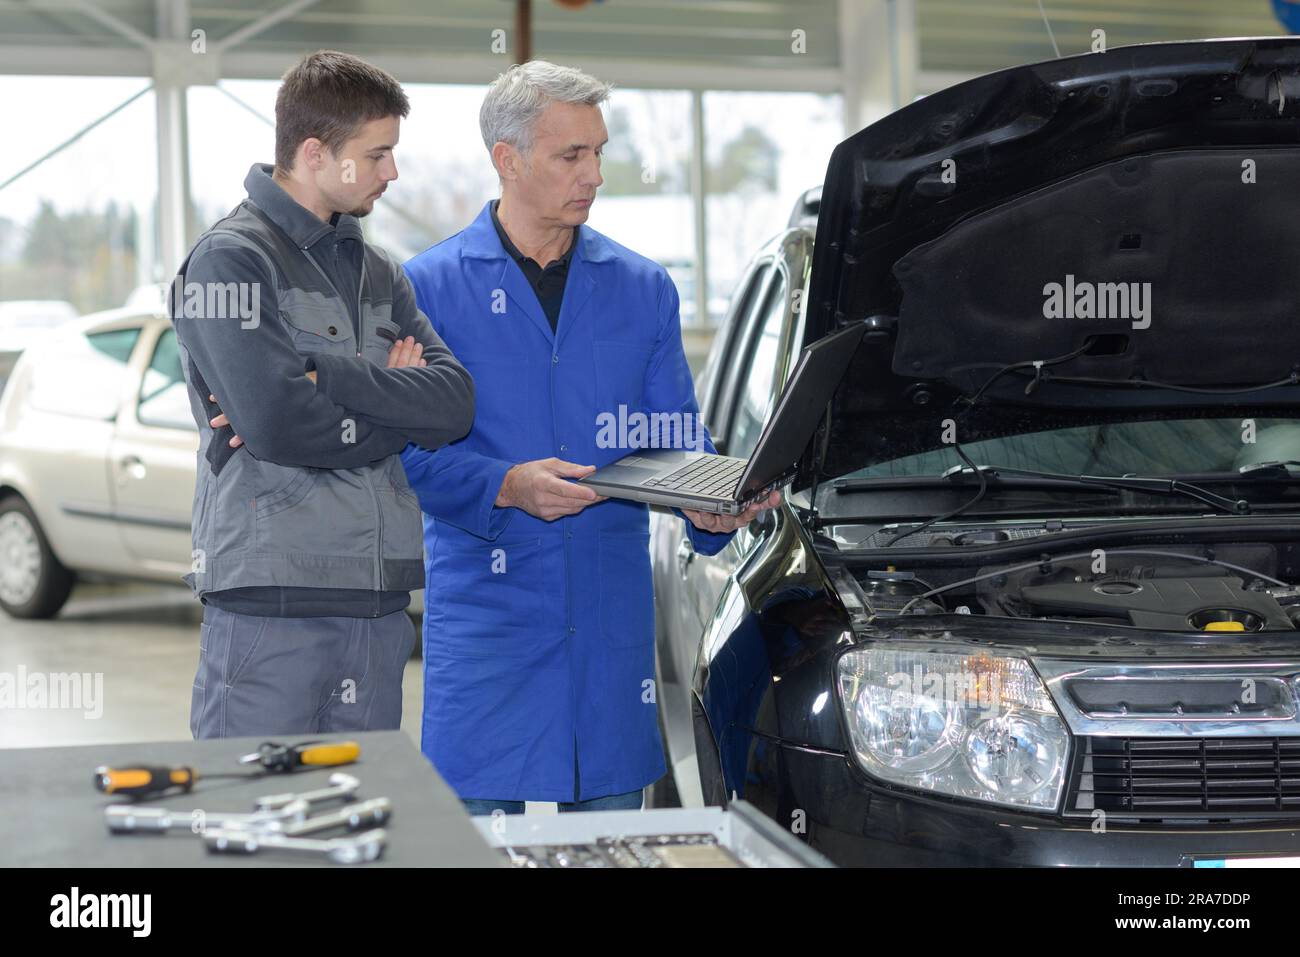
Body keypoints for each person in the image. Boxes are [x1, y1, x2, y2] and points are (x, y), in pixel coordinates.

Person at [401, 60, 778, 814]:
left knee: (609, 846)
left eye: (598, 151)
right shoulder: (427, 288)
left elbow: (676, 439)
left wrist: (707, 505)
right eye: (571, 155)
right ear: (507, 159)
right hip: (489, 622)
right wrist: (507, 485)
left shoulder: (643, 289)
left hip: (609, 626)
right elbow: (408, 456)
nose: (594, 174)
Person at [173, 50, 474, 737]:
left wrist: (334, 379)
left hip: (375, 607)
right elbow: (280, 423)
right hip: (270, 601)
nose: (392, 173)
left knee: (362, 827)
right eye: (378, 155)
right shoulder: (232, 260)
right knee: (254, 829)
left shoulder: (379, 273)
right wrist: (398, 398)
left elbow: (455, 404)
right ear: (316, 153)